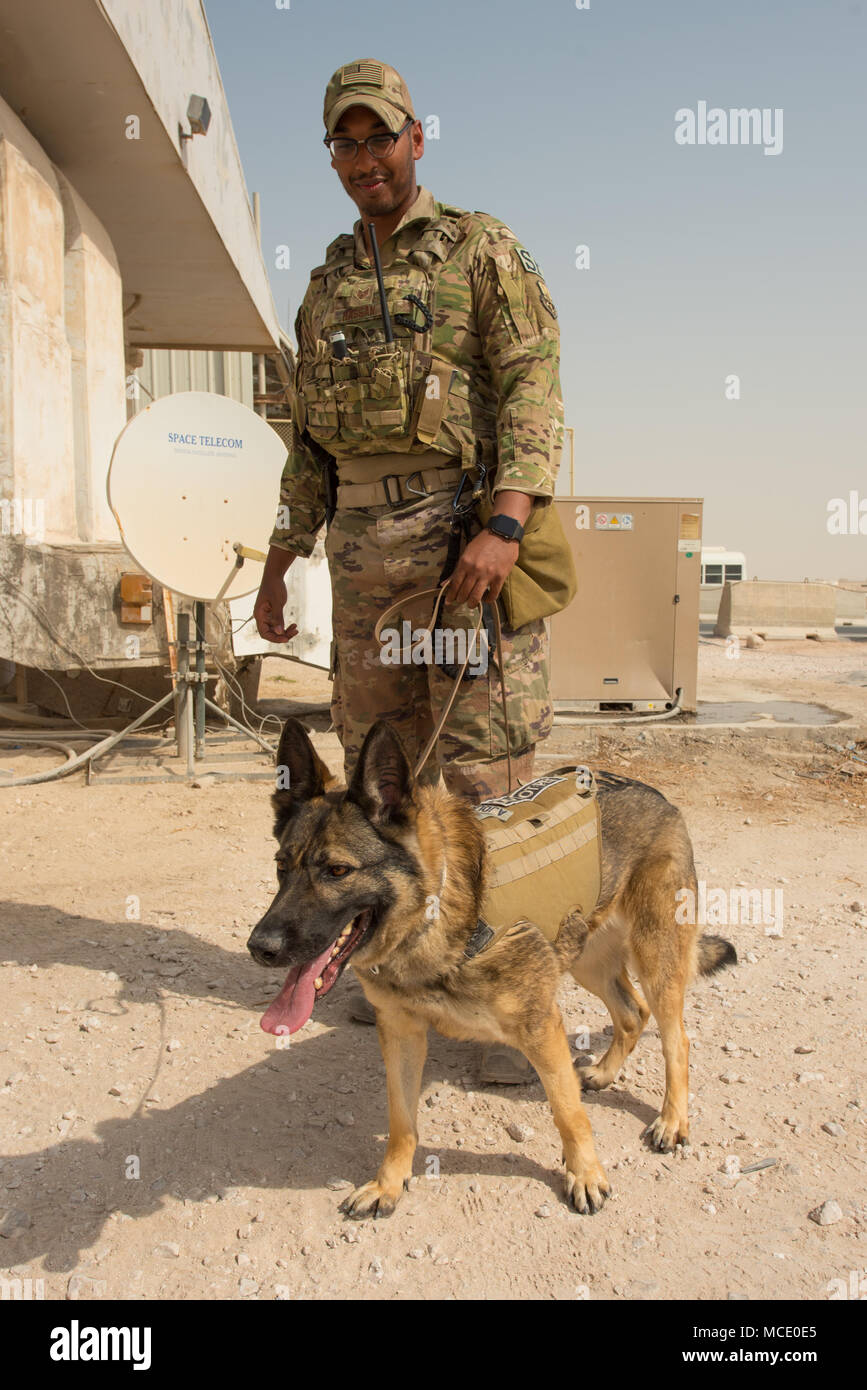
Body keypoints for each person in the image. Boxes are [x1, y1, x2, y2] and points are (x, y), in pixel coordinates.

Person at [254, 58, 564, 1083]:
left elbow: (532, 386)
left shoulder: (482, 250)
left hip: (455, 546)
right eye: (344, 143)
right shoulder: (329, 281)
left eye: (379, 137)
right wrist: (279, 562)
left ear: (416, 137)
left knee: (482, 773)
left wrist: (507, 524)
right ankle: (387, 967)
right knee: (376, 780)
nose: (364, 159)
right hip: (360, 557)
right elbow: (306, 442)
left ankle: (514, 998)